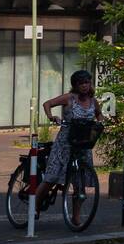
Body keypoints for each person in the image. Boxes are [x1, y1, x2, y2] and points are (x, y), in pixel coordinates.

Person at [35, 70, 102, 226]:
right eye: (81, 83)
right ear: (75, 85)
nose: (85, 86)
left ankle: (76, 217)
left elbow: (99, 115)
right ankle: (35, 208)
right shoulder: (69, 98)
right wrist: (52, 117)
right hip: (65, 144)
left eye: (87, 82)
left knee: (80, 182)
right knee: (51, 178)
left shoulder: (93, 101)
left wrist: (100, 122)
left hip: (83, 144)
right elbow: (47, 104)